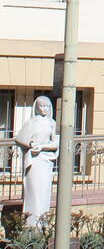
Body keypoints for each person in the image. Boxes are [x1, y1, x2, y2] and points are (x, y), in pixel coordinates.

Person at [14, 96, 58, 225]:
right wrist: (31, 145)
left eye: (47, 106)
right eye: (41, 106)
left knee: (44, 192)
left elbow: (55, 142)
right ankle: (31, 224)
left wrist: (42, 146)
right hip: (34, 160)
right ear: (36, 107)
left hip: (45, 160)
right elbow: (19, 139)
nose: (44, 109)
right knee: (34, 192)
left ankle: (42, 223)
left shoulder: (52, 123)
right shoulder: (31, 122)